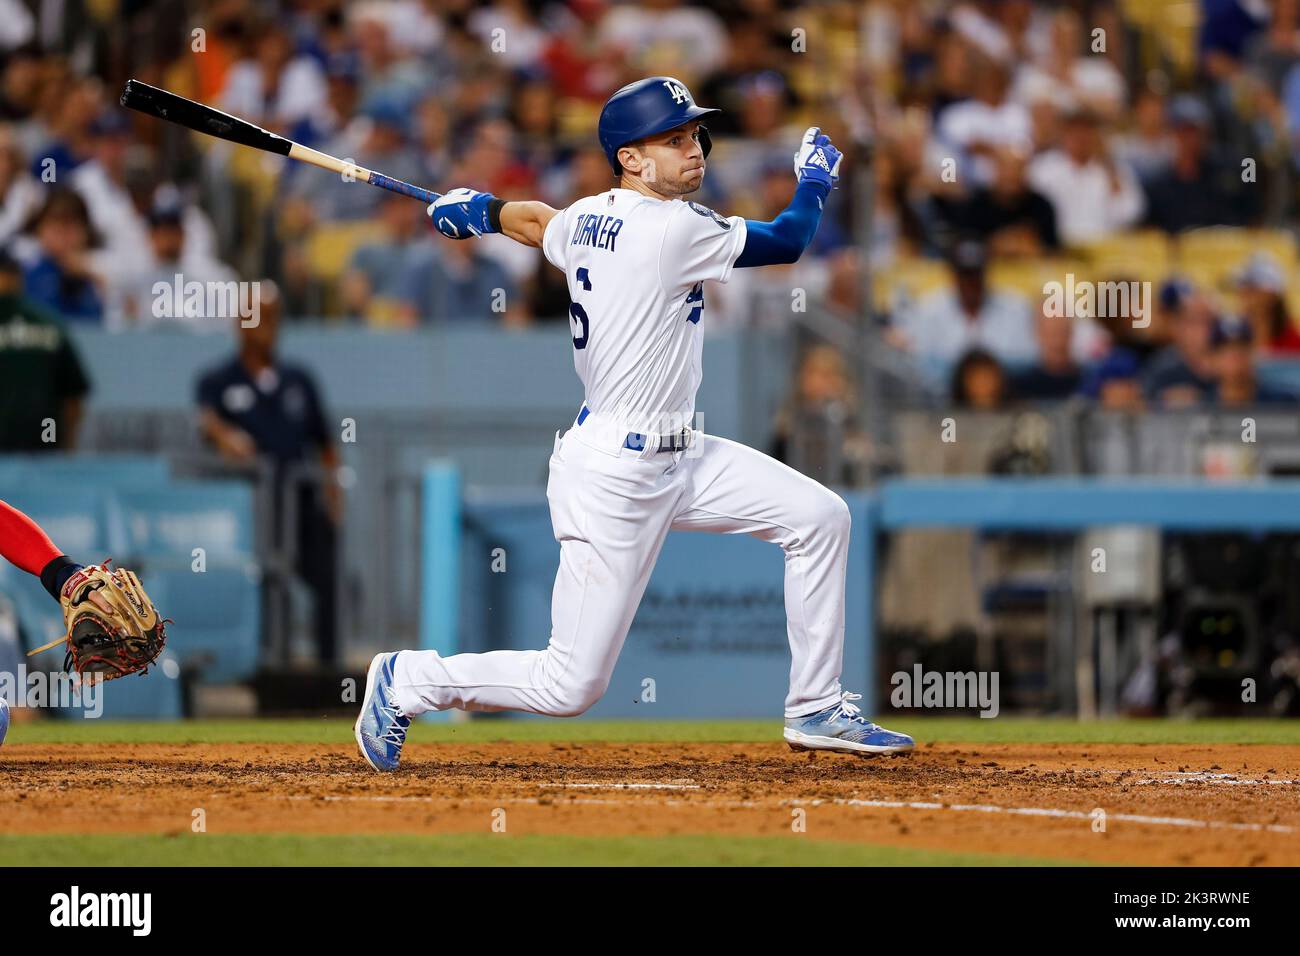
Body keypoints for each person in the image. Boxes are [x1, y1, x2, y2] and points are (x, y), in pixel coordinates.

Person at [355, 76, 914, 772]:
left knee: (820, 517)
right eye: (674, 140)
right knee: (570, 684)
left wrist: (482, 209)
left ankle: (815, 706)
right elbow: (791, 240)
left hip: (683, 455)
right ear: (630, 158)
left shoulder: (587, 217)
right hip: (615, 474)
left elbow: (536, 222)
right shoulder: (672, 228)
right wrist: (816, 181)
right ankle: (407, 680)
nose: (694, 151)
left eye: (695, 137)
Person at [195, 282, 342, 665]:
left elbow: (324, 444)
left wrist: (333, 495)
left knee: (325, 581)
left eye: (272, 316)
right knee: (258, 586)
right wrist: (223, 435)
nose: (265, 325)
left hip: (300, 503)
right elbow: (207, 423)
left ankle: (328, 672)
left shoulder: (299, 379)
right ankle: (256, 665)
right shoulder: (218, 380)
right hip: (249, 509)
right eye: (255, 315)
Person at [0, 250, 89, 451]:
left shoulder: (49, 322)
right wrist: (64, 444)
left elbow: (73, 394)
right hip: (44, 442)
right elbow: (73, 398)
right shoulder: (49, 322)